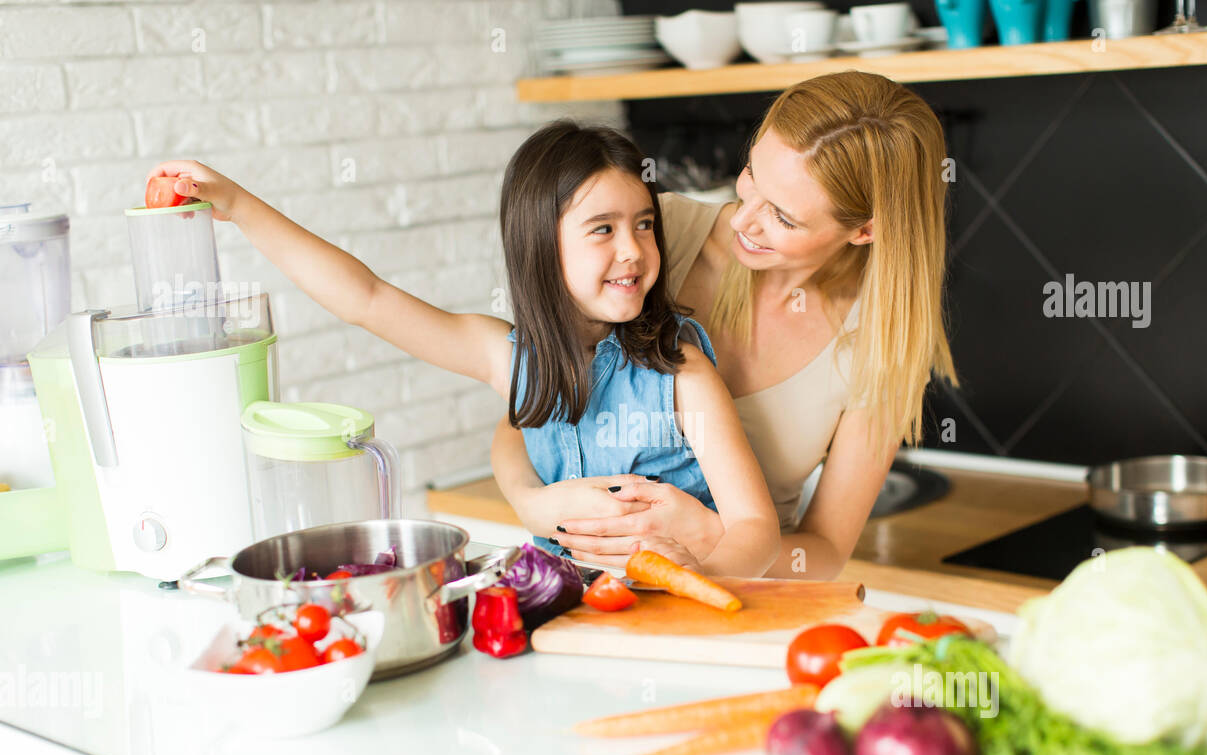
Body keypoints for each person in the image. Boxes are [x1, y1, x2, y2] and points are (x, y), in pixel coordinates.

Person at [149, 121, 780, 577]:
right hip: (574, 612)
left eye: (645, 224)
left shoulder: (681, 372)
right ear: (542, 246)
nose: (634, 251)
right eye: (602, 230)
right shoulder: (511, 359)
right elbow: (366, 298)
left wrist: (699, 585)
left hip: (680, 607)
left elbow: (757, 530)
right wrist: (237, 205)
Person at [492, 71, 958, 580]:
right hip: (588, 592)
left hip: (745, 601)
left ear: (866, 228)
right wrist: (530, 503)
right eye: (752, 175)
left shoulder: (882, 341)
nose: (741, 219)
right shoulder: (649, 242)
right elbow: (529, 399)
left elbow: (823, 553)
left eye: (782, 217)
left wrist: (711, 535)